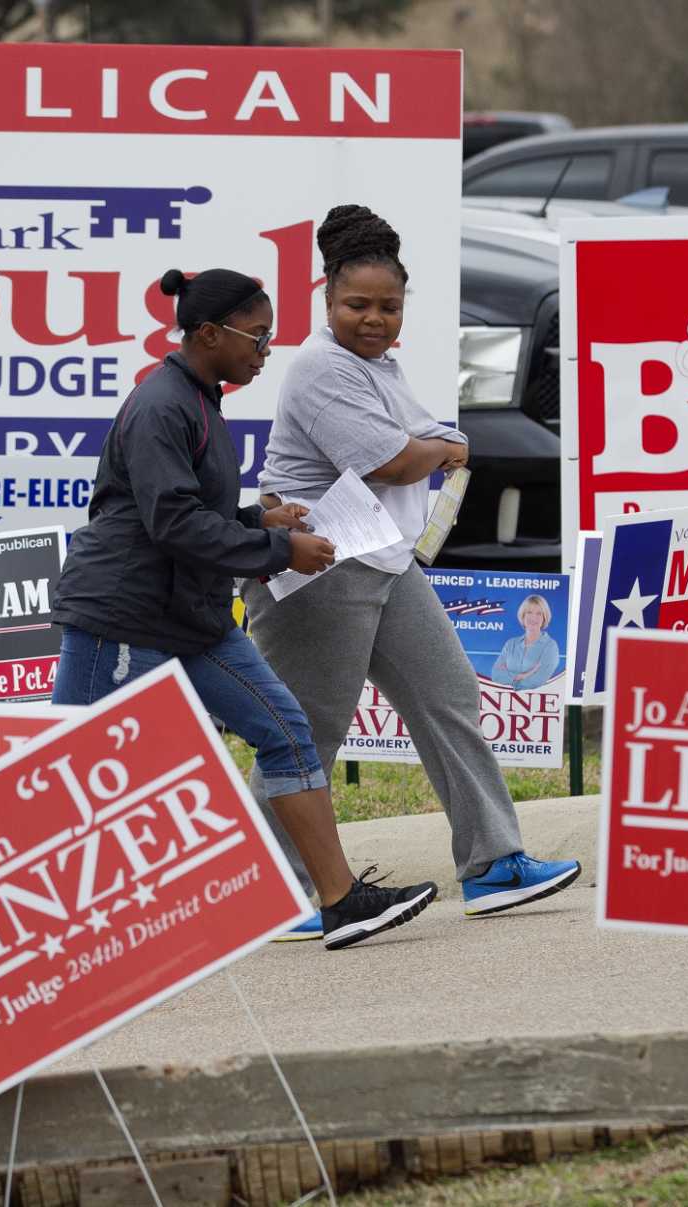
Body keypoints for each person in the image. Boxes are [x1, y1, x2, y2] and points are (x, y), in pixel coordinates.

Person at [49, 266, 438, 951]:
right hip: (121, 615)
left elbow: (187, 516)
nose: (265, 352)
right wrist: (278, 547)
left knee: (286, 732)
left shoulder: (199, 401)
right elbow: (170, 524)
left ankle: (341, 900)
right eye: (257, 339)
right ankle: (1, 919)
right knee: (74, 780)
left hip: (190, 615)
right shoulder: (161, 405)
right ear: (208, 335)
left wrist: (258, 518)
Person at [244, 205, 582, 939]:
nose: (373, 317)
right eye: (355, 304)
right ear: (326, 298)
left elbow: (424, 435)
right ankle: (275, 890)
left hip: (385, 561)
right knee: (306, 734)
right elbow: (398, 458)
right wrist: (441, 449)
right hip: (319, 570)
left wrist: (434, 442)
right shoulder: (318, 368)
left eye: (388, 306)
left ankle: (493, 863)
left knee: (450, 695)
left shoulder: (379, 367)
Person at [491, 594, 560, 690]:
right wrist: (525, 675)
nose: (533, 617)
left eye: (539, 613)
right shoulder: (511, 644)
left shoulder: (550, 647)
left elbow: (538, 681)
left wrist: (510, 680)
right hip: (506, 700)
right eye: (529, 612)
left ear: (544, 617)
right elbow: (496, 675)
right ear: (523, 616)